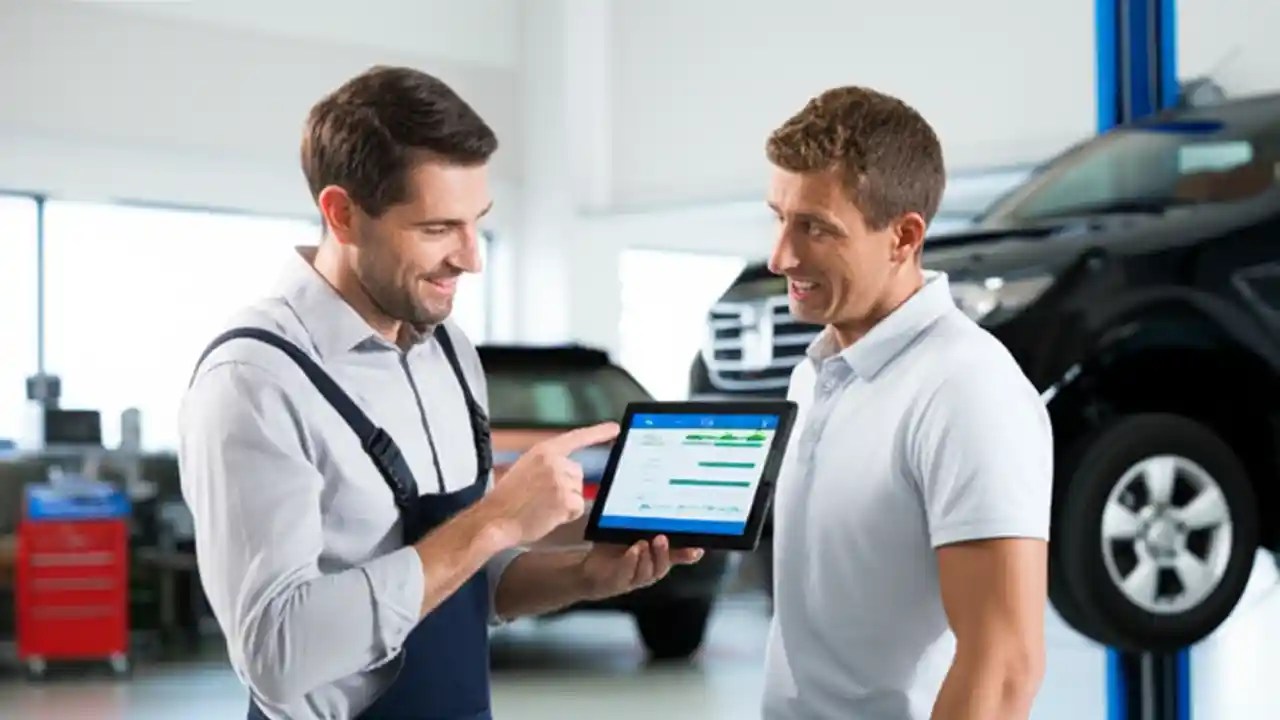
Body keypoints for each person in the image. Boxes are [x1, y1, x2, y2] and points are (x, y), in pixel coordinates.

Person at [177, 65, 703, 720]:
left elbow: (462, 580)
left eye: (477, 222)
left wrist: (583, 575)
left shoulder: (447, 351)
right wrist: (496, 518)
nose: (471, 258)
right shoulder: (254, 381)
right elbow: (276, 653)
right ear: (342, 214)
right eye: (436, 229)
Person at [758, 86, 1054, 720]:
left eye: (815, 227)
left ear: (903, 236)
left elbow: (1005, 665)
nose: (780, 256)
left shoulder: (966, 390)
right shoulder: (813, 376)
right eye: (778, 218)